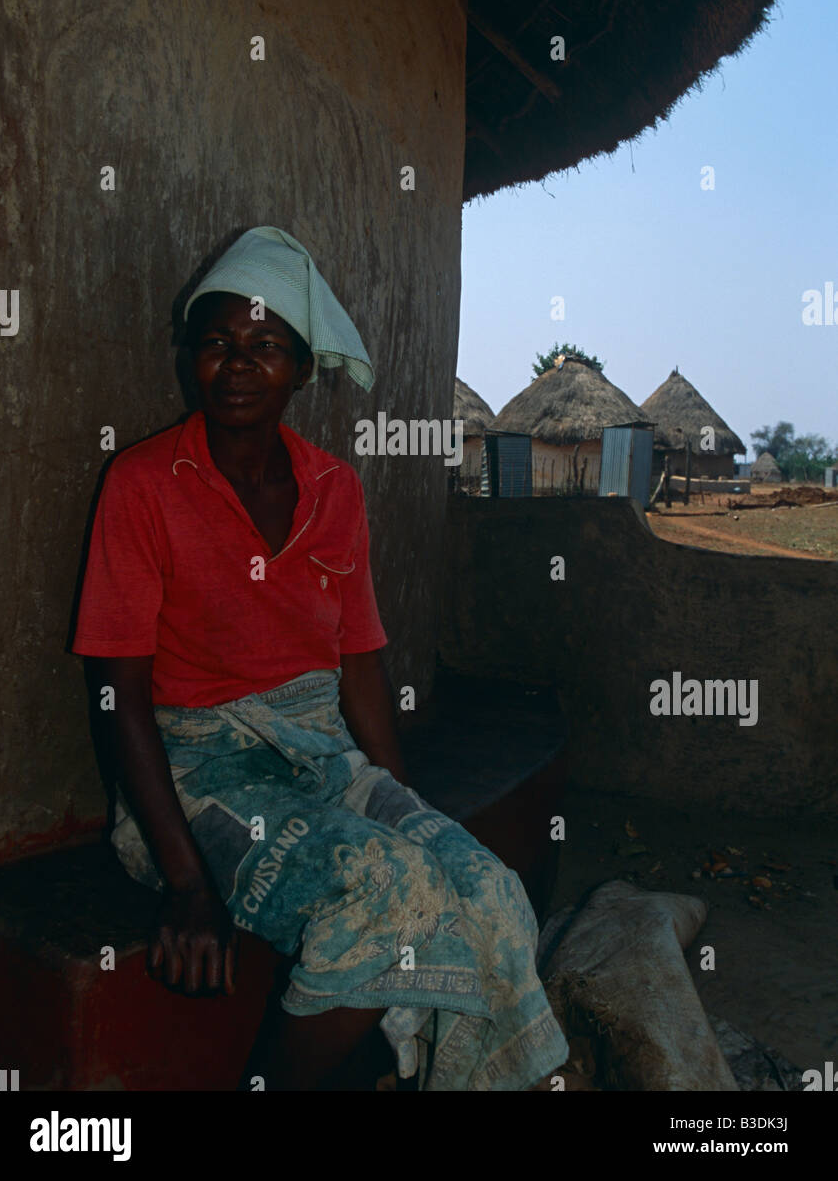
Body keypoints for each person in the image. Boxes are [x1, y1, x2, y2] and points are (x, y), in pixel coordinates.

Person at [73, 225, 568, 1090]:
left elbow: (362, 662)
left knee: (487, 889)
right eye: (218, 343)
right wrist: (186, 882)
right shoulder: (145, 483)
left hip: (321, 755)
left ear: (301, 369)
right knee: (383, 889)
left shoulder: (336, 489)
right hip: (201, 767)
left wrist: (397, 799)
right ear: (191, 356)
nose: (237, 365)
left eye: (265, 347)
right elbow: (119, 692)